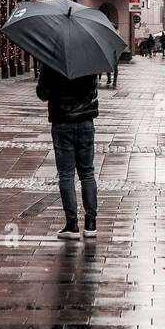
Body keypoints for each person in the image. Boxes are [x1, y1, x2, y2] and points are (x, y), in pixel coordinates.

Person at [37, 61, 99, 239]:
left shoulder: (52, 61)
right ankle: (91, 223)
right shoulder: (89, 60)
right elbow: (92, 90)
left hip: (62, 122)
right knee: (87, 173)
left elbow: (43, 94)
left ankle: (72, 224)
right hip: (86, 122)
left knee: (66, 174)